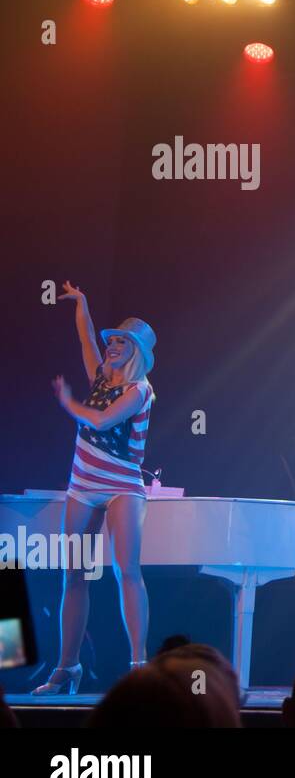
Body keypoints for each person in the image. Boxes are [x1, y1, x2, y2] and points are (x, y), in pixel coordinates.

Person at [35, 283, 156, 695]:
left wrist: (68, 403)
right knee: (73, 575)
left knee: (127, 571)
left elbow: (102, 423)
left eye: (122, 342)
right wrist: (82, 303)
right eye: (113, 340)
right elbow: (86, 338)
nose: (113, 345)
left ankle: (140, 665)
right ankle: (67, 667)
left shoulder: (139, 390)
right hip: (83, 484)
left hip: (122, 484)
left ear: (135, 351)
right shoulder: (101, 379)